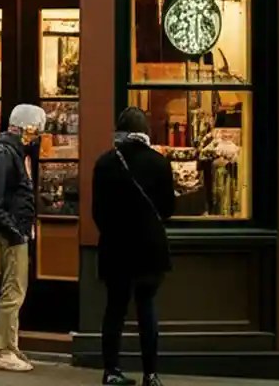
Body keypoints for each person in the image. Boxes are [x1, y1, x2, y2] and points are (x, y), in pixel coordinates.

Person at [93, 107, 175, 386]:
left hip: (116, 247)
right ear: (145, 132)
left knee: (114, 308)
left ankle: (111, 370)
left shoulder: (105, 163)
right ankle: (150, 374)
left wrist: (114, 230)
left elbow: (97, 212)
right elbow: (167, 209)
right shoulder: (160, 163)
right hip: (149, 247)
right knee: (147, 308)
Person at [0, 103, 42, 373]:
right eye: (37, 130)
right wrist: (16, 232)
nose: (39, 136)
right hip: (12, 233)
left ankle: (10, 345)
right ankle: (2, 349)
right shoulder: (6, 153)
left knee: (16, 290)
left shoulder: (10, 151)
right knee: (13, 292)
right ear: (26, 128)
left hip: (14, 231)